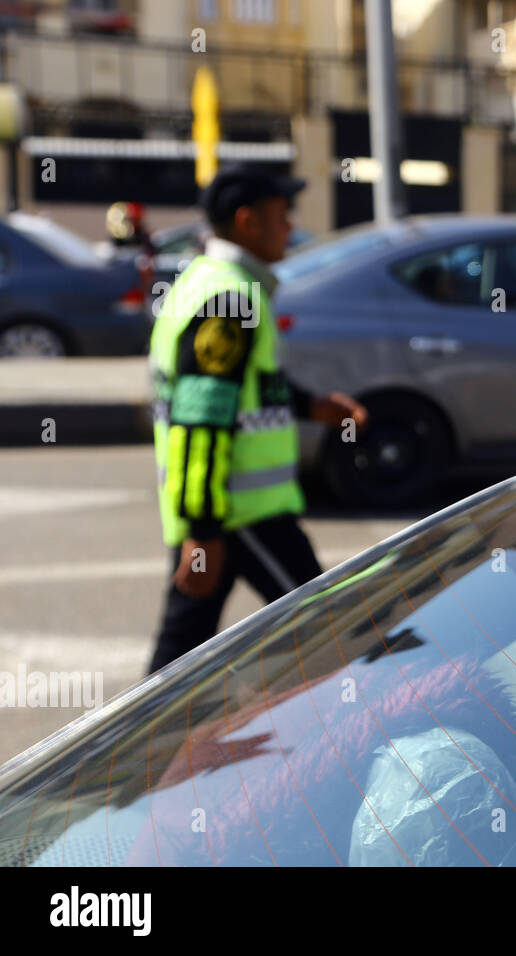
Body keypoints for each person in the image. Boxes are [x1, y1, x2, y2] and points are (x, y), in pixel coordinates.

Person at [146, 164, 369, 674]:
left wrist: (311, 405)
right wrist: (202, 529)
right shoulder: (230, 297)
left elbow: (240, 389)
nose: (290, 226)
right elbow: (201, 415)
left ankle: (146, 749)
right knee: (325, 629)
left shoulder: (210, 282)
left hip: (227, 510)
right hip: (238, 512)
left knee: (178, 661)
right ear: (248, 221)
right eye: (282, 214)